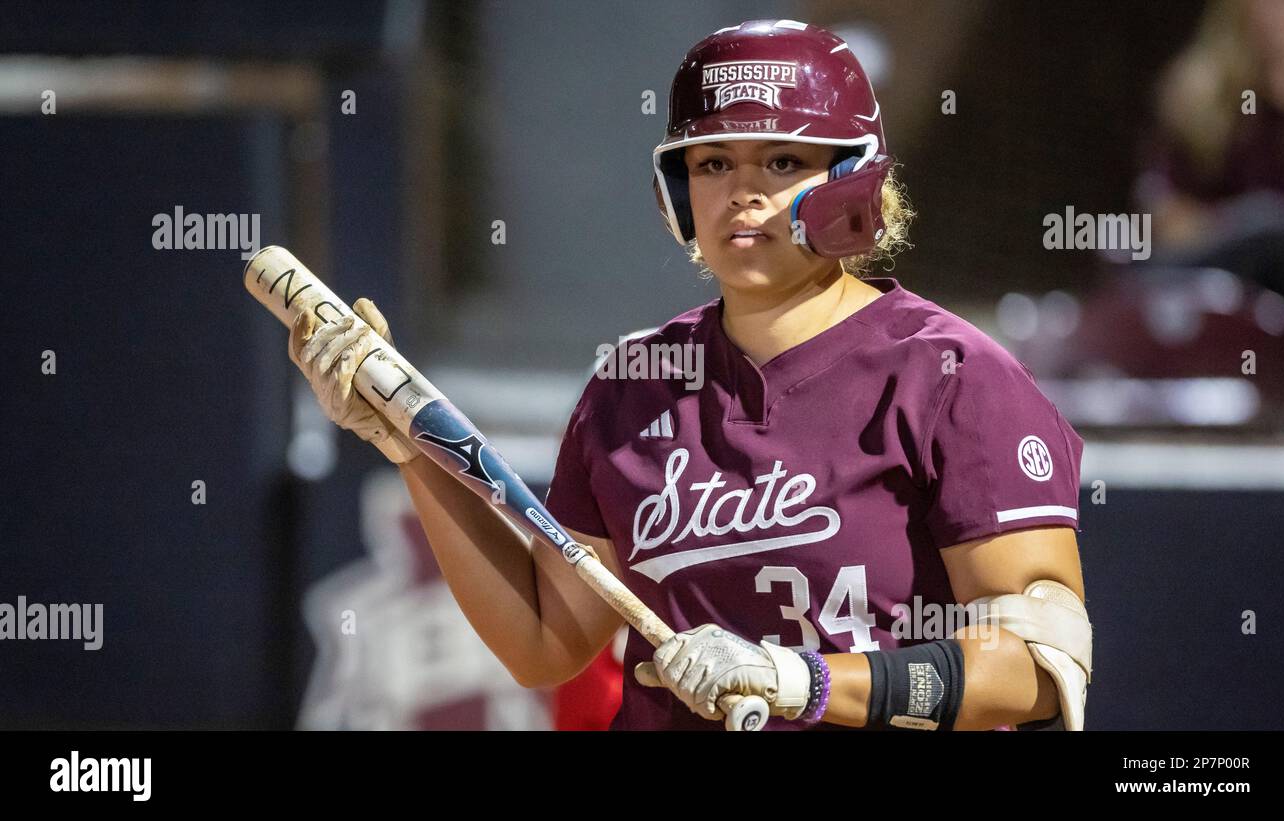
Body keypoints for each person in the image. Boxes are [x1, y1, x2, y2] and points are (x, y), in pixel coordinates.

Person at [288, 19, 1092, 731]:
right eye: (711, 163)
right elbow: (544, 641)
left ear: (854, 182)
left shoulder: (951, 375)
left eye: (781, 160)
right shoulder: (635, 380)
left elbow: (1039, 665)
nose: (742, 193)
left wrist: (800, 680)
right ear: (678, 191)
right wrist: (409, 448)